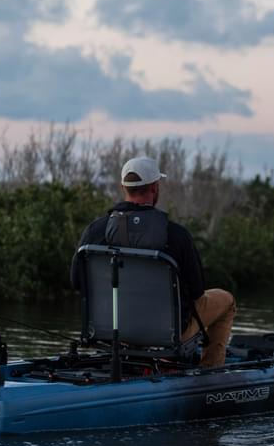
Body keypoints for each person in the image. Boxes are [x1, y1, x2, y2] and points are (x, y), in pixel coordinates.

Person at [71, 156, 236, 367]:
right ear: (155, 188)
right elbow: (197, 291)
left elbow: (77, 282)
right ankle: (210, 371)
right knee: (226, 300)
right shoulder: (177, 235)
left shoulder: (95, 231)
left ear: (123, 187)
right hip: (168, 334)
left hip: (110, 330)